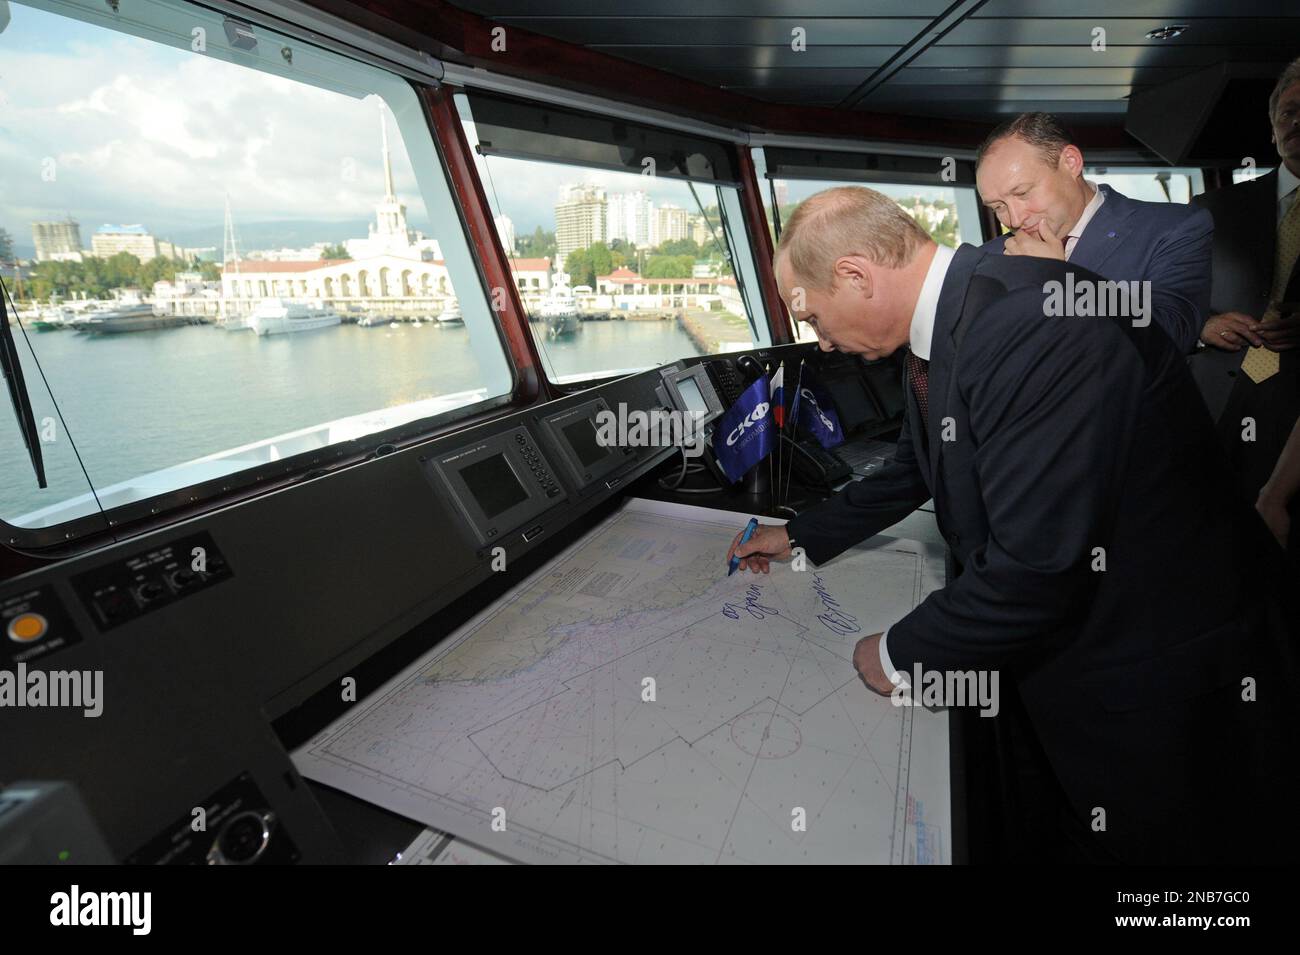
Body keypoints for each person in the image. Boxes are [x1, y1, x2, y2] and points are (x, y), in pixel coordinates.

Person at [727, 185, 1297, 864]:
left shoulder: (1029, 321)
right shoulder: (963, 314)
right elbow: (917, 467)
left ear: (855, 274)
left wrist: (892, 655)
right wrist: (798, 534)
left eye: (816, 316)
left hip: (1164, 672)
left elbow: (1039, 567)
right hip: (1101, 659)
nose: (822, 341)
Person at [976, 111, 1212, 355]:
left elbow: (1171, 335)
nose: (1014, 219)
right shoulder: (985, 260)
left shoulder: (1172, 228)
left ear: (1070, 162)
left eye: (1023, 193)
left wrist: (1058, 279)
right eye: (997, 207)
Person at [1189, 58, 1300, 527]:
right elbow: (1167, 303)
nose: (1297, 122)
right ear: (1272, 129)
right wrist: (1203, 325)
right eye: (1288, 112)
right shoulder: (1212, 209)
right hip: (1213, 410)